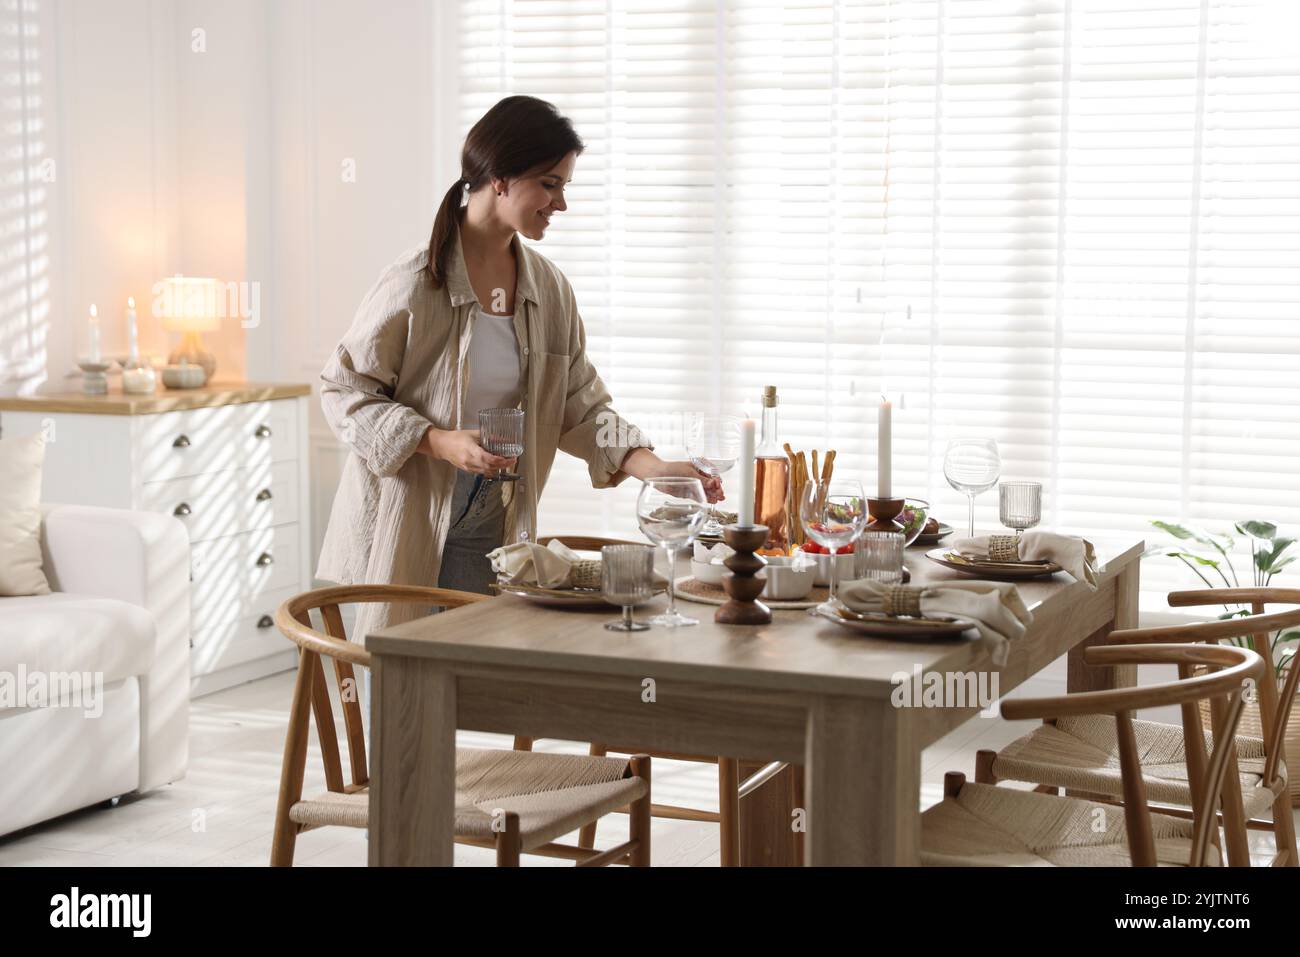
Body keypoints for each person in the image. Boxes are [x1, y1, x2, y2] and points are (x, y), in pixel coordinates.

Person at [317, 95, 721, 646]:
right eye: (550, 184)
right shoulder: (414, 282)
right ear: (501, 178)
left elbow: (580, 403)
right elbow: (342, 389)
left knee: (476, 684)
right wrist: (437, 441)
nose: (560, 203)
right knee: (403, 691)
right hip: (407, 512)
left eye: (564, 187)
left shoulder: (548, 290)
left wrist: (656, 469)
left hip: (495, 511)